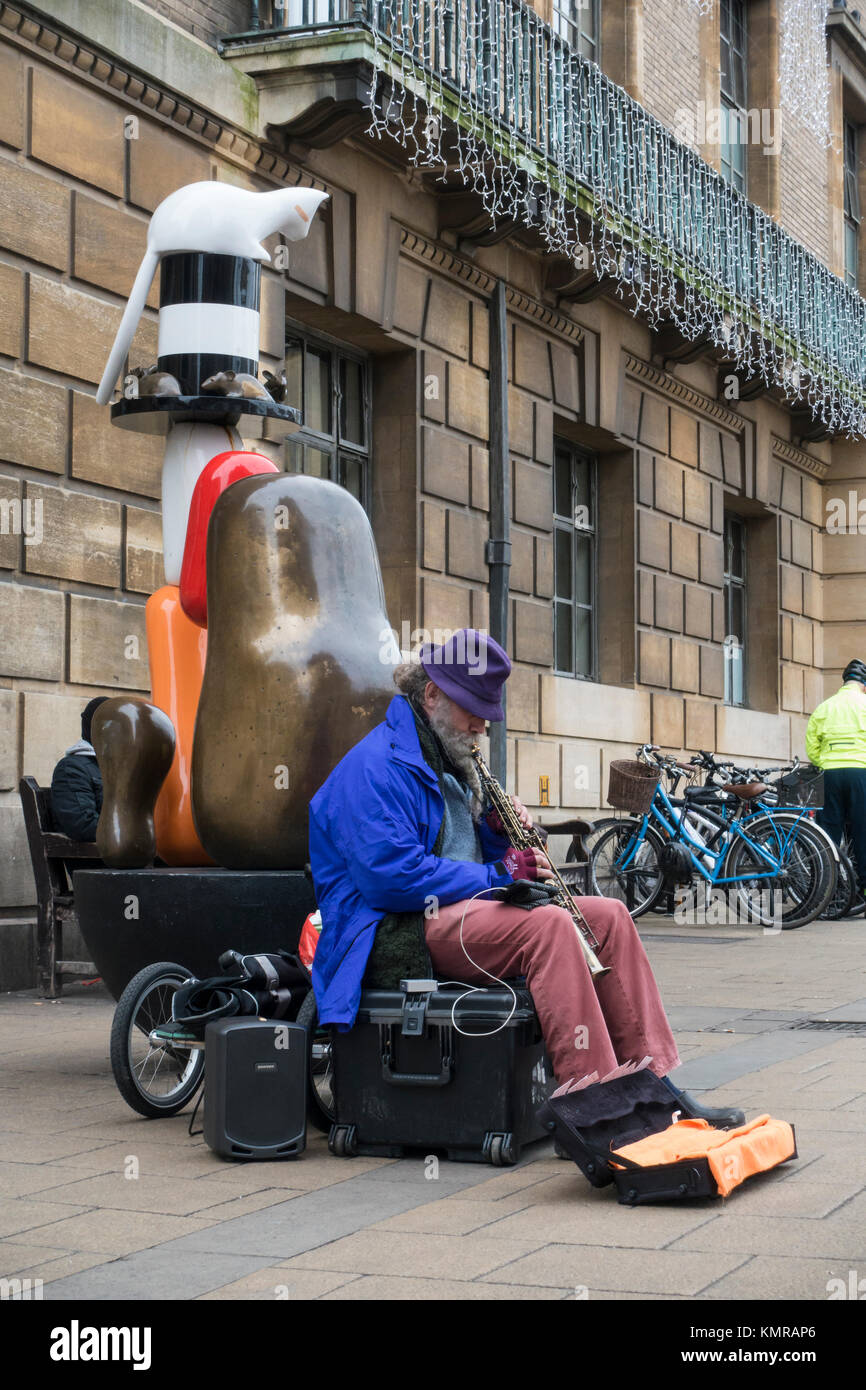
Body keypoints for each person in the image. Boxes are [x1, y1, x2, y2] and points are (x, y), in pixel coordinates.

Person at [309, 629, 744, 1126]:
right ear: (431, 695)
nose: (479, 728)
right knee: (549, 928)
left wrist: (499, 836)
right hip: (391, 926)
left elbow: (463, 852)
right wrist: (494, 874)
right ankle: (596, 1108)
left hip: (458, 910)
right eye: (471, 711)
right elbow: (390, 880)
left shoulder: (447, 753)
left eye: (485, 716)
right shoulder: (375, 767)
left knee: (608, 917)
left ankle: (655, 1083)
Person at [806, 657, 866, 900]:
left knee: (828, 833)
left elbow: (812, 746)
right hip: (860, 772)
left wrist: (825, 762)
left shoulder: (825, 706)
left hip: (829, 774)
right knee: (863, 833)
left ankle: (826, 892)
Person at [50, 696, 109, 841]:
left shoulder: (122, 767)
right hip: (97, 858)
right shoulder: (71, 768)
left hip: (131, 855)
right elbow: (83, 826)